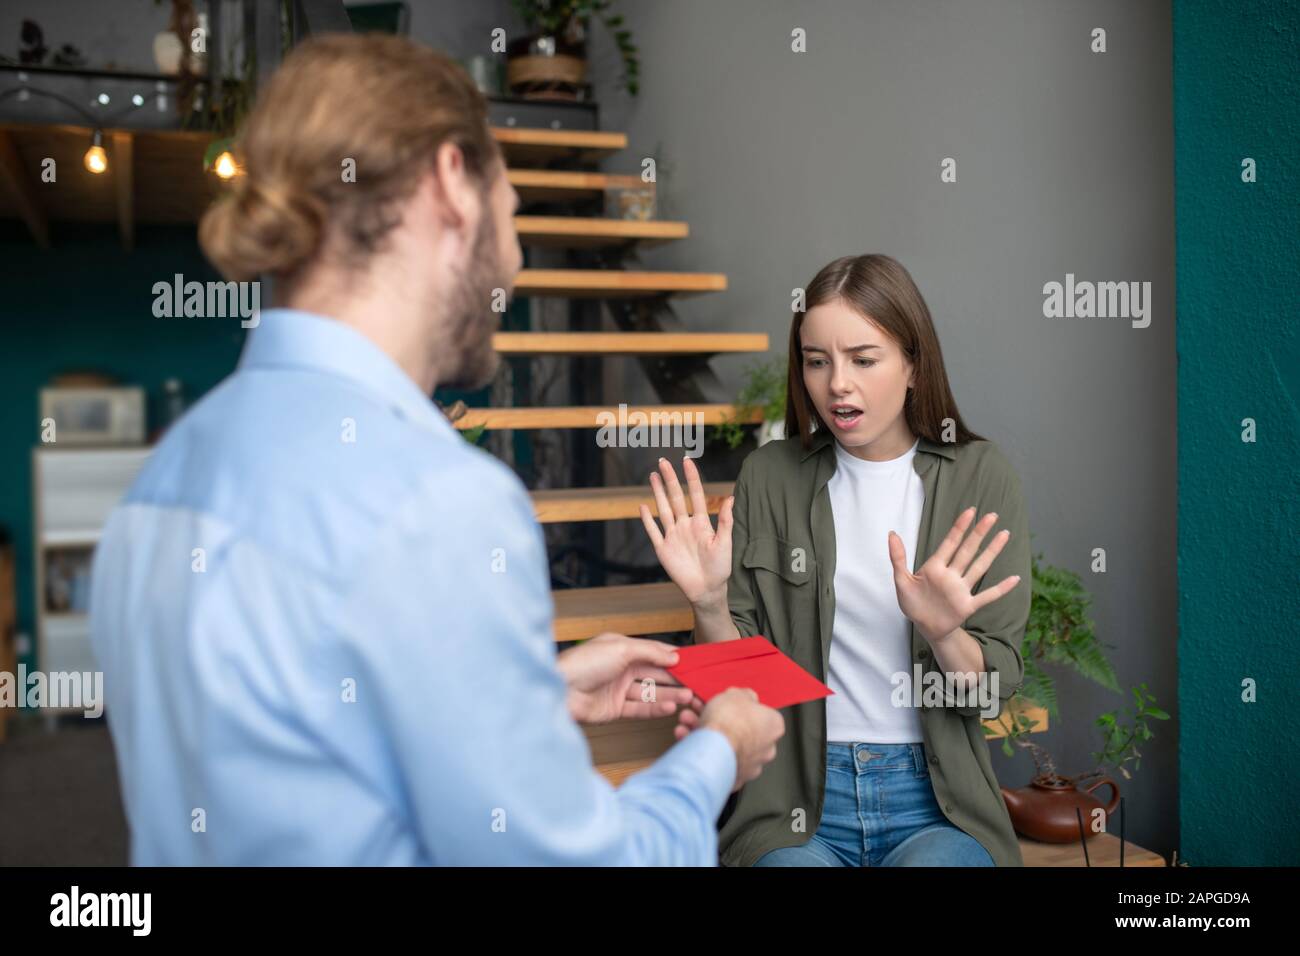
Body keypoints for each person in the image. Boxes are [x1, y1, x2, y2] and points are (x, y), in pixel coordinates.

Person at [89, 33, 783, 866]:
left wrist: (530, 699)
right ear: (454, 183)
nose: (519, 261)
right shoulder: (439, 501)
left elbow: (294, 746)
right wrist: (718, 750)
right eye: (514, 211)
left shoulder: (158, 481)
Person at [639, 254, 1031, 866]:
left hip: (935, 807)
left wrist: (944, 630)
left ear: (913, 366)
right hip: (797, 809)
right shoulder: (770, 476)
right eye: (816, 361)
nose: (836, 384)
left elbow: (990, 695)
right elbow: (738, 691)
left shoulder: (980, 477)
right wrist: (709, 602)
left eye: (863, 359)